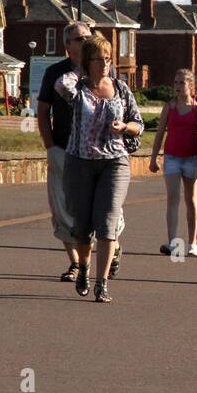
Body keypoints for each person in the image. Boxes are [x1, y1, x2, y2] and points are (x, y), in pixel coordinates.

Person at [53, 35, 143, 302]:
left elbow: (138, 123)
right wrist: (81, 69)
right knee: (81, 227)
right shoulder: (76, 88)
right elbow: (60, 84)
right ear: (87, 61)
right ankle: (83, 267)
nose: (104, 64)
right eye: (99, 59)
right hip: (80, 162)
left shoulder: (121, 89)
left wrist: (124, 127)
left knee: (108, 223)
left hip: (114, 162)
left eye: (108, 59)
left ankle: (101, 283)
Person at [37, 21, 91, 282]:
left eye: (87, 37)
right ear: (67, 45)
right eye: (79, 39)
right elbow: (43, 110)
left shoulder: (101, 70)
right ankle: (77, 264)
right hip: (62, 149)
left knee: (95, 209)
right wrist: (50, 145)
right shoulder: (54, 73)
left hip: (94, 152)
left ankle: (108, 249)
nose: (84, 42)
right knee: (62, 209)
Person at [149, 68, 197, 258]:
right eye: (176, 82)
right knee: (173, 200)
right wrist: (153, 157)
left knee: (191, 200)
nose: (178, 86)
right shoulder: (169, 107)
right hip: (171, 157)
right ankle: (173, 243)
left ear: (191, 85)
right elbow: (160, 133)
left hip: (191, 158)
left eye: (182, 82)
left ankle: (192, 243)